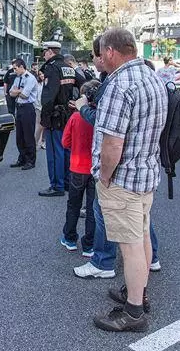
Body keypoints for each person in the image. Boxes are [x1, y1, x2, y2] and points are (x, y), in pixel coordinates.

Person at [89, 29, 168, 332]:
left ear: (110, 51)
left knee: (130, 245)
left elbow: (112, 144)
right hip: (146, 173)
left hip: (123, 178)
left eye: (102, 52)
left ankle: (133, 312)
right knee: (143, 237)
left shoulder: (119, 84)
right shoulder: (152, 77)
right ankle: (139, 293)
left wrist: (105, 176)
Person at [60, 80, 98, 257]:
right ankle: (89, 244)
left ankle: (69, 237)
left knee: (73, 204)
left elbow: (65, 142)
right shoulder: (99, 116)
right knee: (92, 207)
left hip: (77, 166)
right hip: (95, 168)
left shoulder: (75, 117)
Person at [38, 41, 75, 197]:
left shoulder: (52, 68)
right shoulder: (68, 68)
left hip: (55, 116)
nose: (43, 54)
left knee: (54, 152)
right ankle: (66, 182)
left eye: (44, 51)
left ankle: (56, 186)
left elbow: (48, 97)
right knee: (65, 150)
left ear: (51, 52)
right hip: (67, 114)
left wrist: (44, 118)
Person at [9, 58, 38, 171]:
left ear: (21, 67)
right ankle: (22, 158)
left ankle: (31, 160)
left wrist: (18, 91)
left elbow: (25, 95)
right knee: (19, 136)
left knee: (28, 136)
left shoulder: (30, 78)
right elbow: (11, 93)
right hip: (19, 108)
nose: (14, 71)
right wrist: (19, 91)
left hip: (28, 108)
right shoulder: (17, 78)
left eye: (15, 68)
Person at [35, 70, 46, 150]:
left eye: (42, 73)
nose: (41, 75)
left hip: (47, 107)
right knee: (39, 126)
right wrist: (37, 106)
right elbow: (36, 96)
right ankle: (35, 142)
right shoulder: (37, 84)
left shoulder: (49, 82)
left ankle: (43, 142)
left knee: (46, 126)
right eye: (40, 74)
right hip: (39, 107)